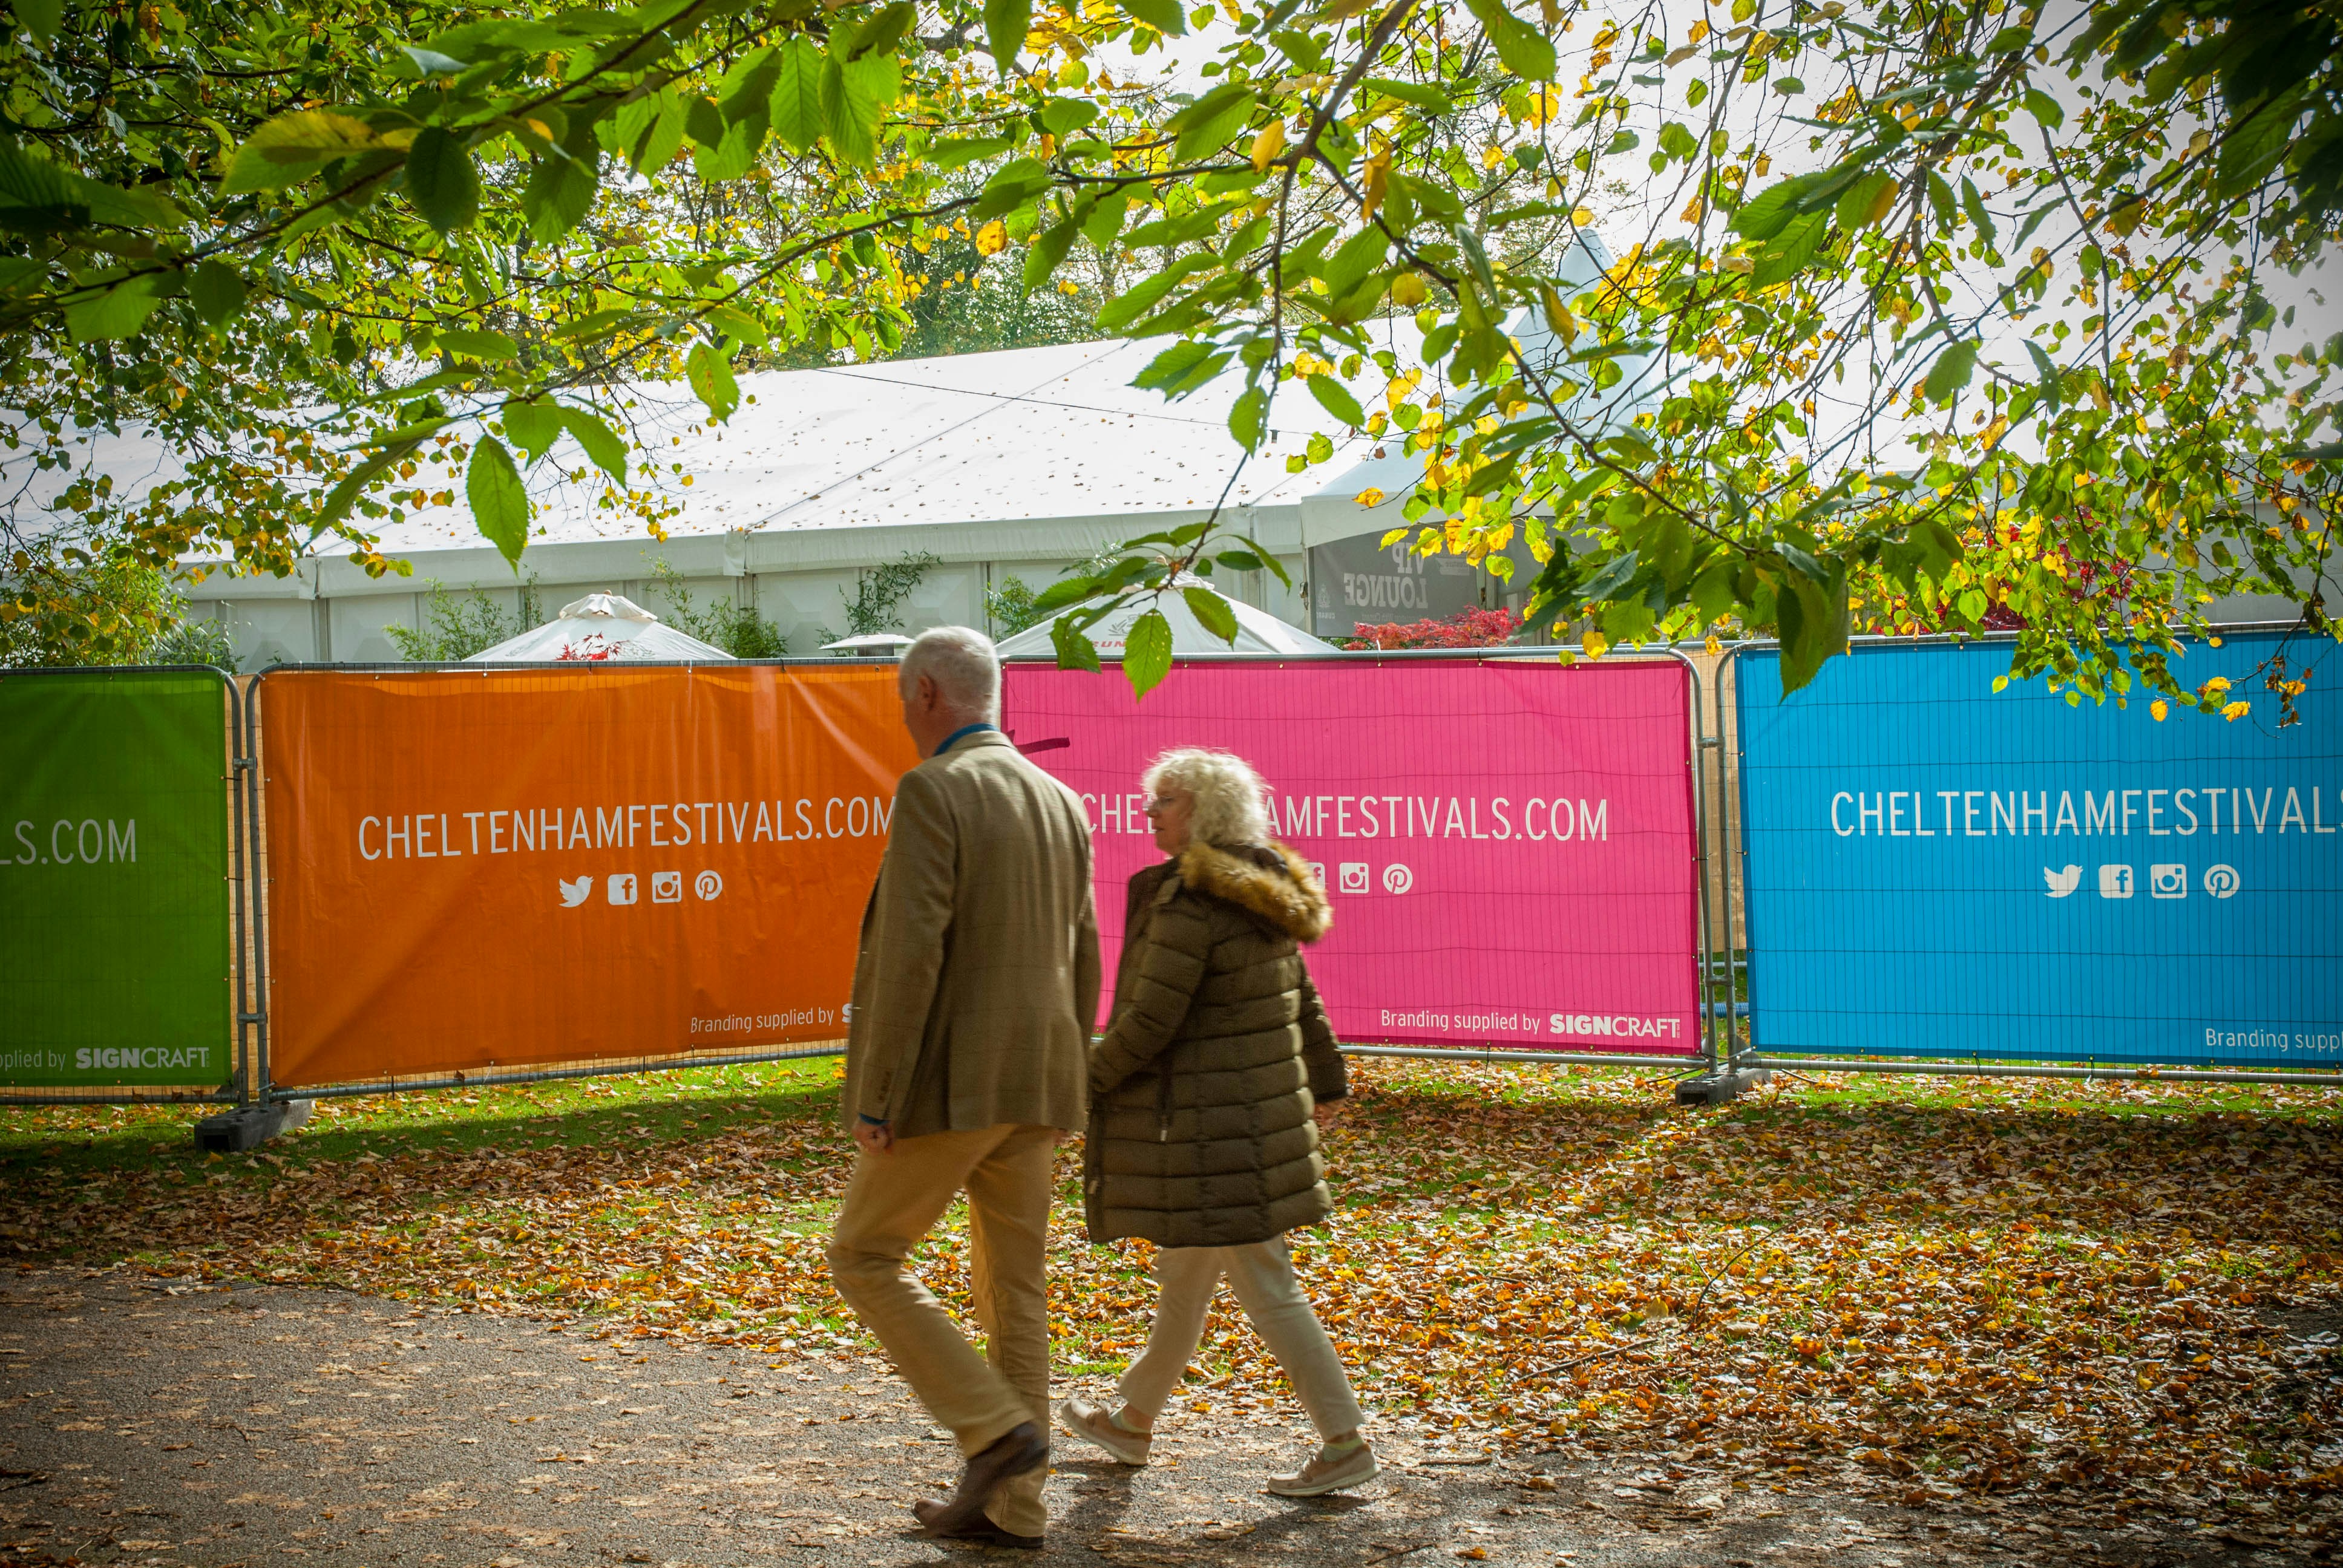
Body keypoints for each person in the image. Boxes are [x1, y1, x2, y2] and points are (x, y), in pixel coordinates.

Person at [825, 626, 1101, 1549]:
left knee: (863, 1255)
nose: (904, 717)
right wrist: (1073, 1080)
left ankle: (993, 1432)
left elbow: (911, 956)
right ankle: (1013, 1509)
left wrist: (877, 1094)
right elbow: (1086, 952)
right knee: (1017, 1295)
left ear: (930, 696)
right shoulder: (1061, 799)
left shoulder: (933, 789)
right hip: (1041, 1081)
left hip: (952, 1082)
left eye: (904, 700)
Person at [1055, 746, 1375, 1497]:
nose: (1149, 813)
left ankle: (1344, 1440)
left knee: (1265, 1284)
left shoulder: (1191, 899)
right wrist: (1327, 1080)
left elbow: (1148, 1021)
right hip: (1243, 1124)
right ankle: (1131, 1419)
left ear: (1201, 809)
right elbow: (1300, 997)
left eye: (1164, 801)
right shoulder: (1261, 888)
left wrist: (1081, 1087)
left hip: (1208, 1130)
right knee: (1185, 1274)